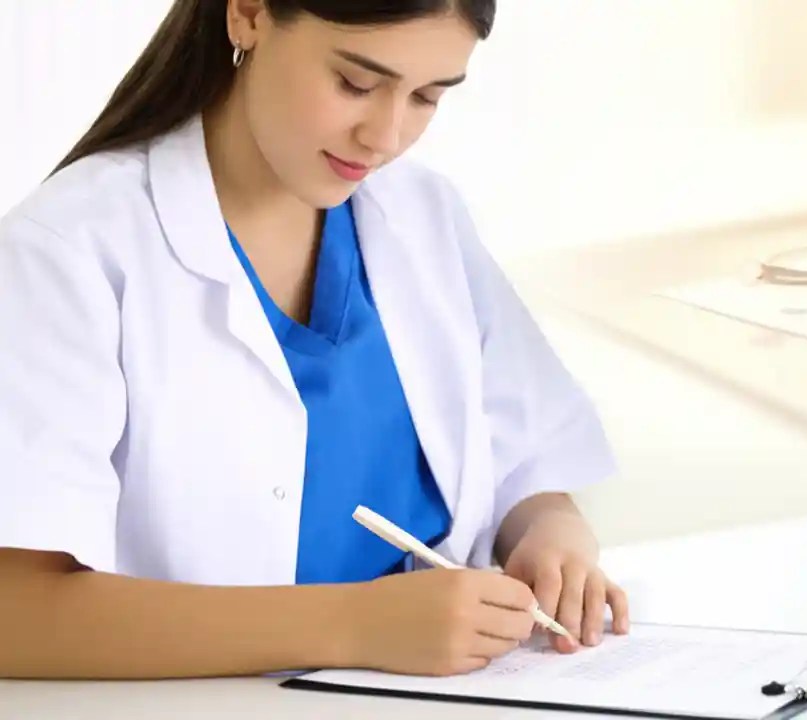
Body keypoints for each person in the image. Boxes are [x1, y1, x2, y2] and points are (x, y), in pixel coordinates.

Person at [0, 0, 629, 680]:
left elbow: (525, 460)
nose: (384, 136)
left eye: (426, 97)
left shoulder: (423, 213)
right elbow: (16, 612)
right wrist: (356, 626)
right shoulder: (68, 251)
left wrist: (549, 532)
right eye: (355, 84)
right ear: (247, 15)